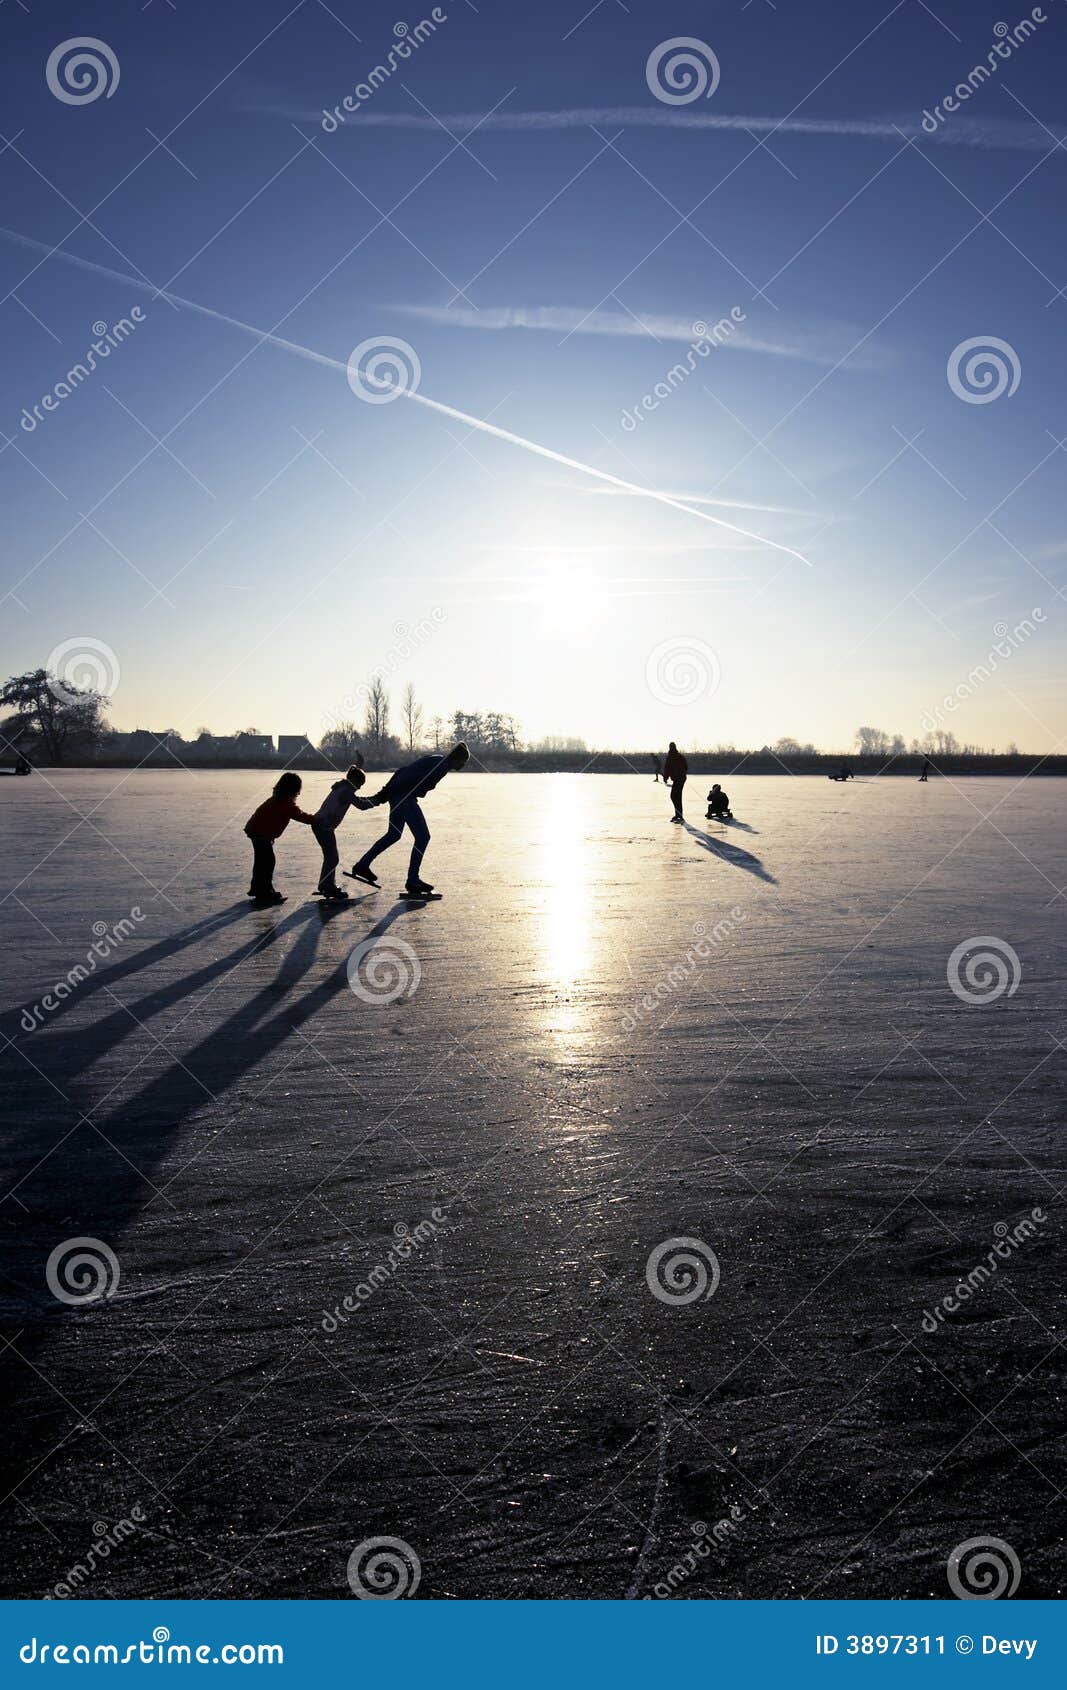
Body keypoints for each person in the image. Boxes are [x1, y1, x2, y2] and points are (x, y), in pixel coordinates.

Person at [349, 742, 470, 895]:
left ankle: (363, 864)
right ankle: (413, 880)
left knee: (393, 834)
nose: (464, 765)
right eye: (464, 761)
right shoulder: (441, 765)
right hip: (404, 797)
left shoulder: (438, 760)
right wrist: (385, 794)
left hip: (399, 796)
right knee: (423, 837)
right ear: (458, 759)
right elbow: (409, 776)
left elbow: (403, 771)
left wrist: (387, 793)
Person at [243, 772, 313, 905]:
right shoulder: (284, 802)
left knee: (263, 861)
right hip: (259, 833)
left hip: (257, 831)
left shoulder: (279, 799)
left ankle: (259, 889)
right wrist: (316, 820)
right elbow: (300, 815)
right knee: (267, 861)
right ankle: (264, 891)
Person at [311, 764, 366, 900]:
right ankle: (327, 886)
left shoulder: (342, 787)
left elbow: (359, 801)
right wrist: (379, 799)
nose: (359, 787)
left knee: (331, 857)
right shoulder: (346, 791)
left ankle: (326, 884)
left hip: (322, 825)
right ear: (354, 780)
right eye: (360, 784)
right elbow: (361, 805)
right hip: (323, 826)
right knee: (332, 857)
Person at [663, 741, 688, 822]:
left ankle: (679, 815)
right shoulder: (680, 756)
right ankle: (678, 815)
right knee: (677, 796)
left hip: (678, 779)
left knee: (674, 796)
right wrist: (683, 773)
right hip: (682, 778)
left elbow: (667, 768)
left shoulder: (670, 756)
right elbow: (686, 766)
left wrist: (665, 778)